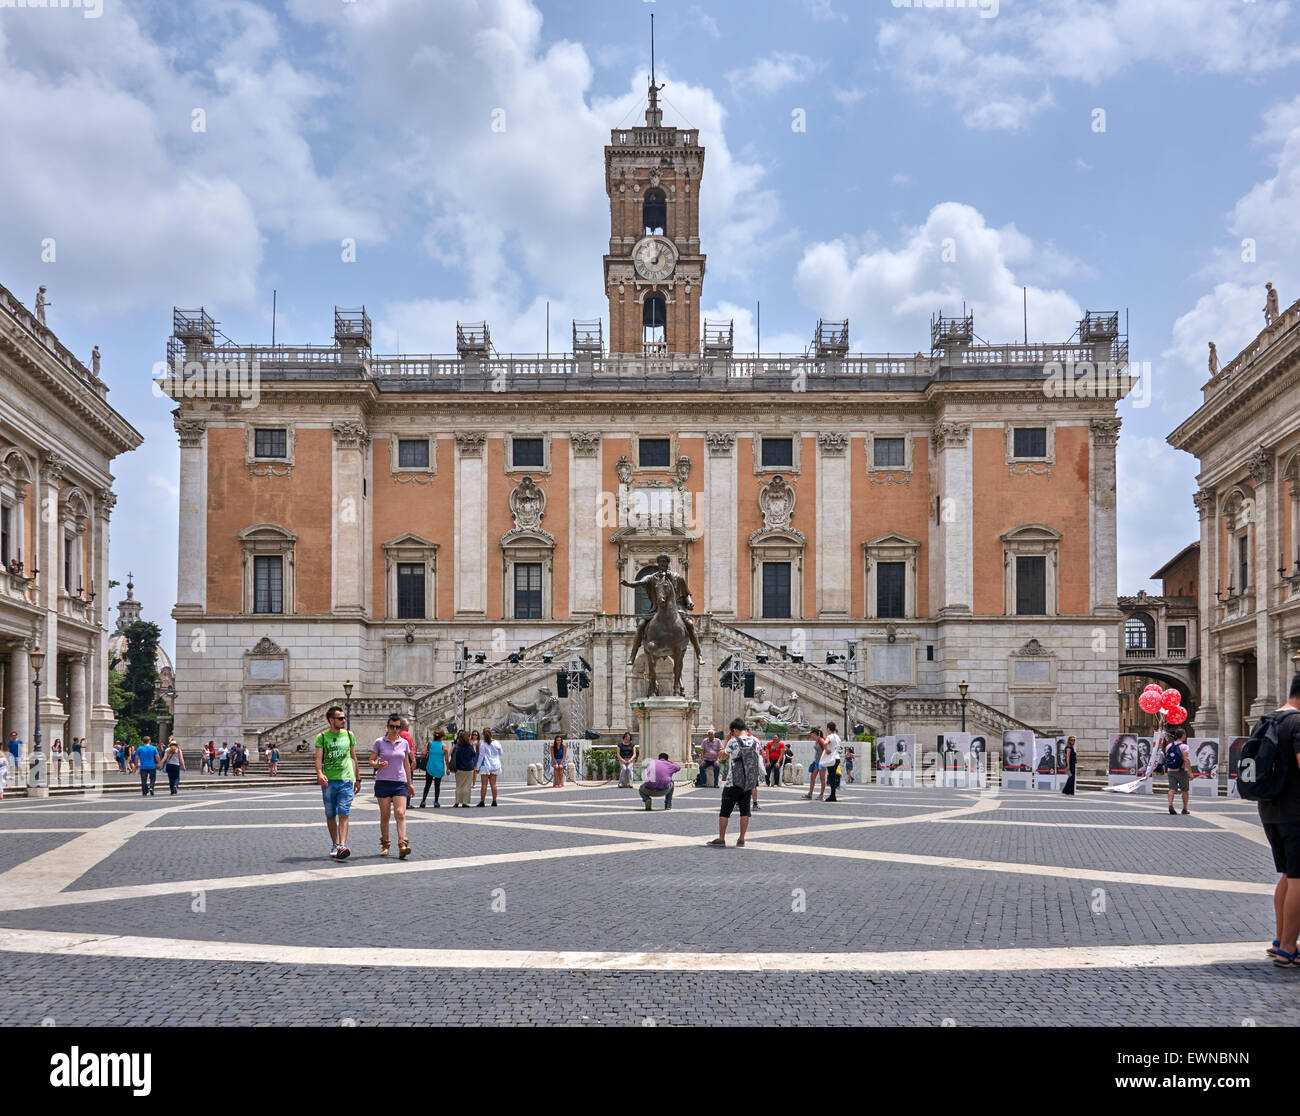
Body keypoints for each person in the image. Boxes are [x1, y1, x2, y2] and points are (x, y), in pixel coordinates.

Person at [1256, 674, 1300, 968]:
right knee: (1299, 879)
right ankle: (1287, 949)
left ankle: (1280, 939)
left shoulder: (1268, 720)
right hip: (1296, 811)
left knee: (1287, 874)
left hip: (1270, 809)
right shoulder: (1298, 722)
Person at [707, 718, 763, 848]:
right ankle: (741, 839)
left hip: (733, 782)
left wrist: (726, 741)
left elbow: (722, 756)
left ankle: (721, 839)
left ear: (735, 730)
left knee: (725, 811)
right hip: (748, 782)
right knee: (745, 811)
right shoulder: (754, 742)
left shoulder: (733, 741)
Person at [315, 706, 361, 860]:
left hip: (346, 779)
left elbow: (354, 757)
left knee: (343, 811)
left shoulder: (349, 735)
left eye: (344, 718)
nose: (343, 721)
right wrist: (320, 773)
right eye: (340, 718)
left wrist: (358, 778)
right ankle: (335, 844)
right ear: (331, 720)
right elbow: (318, 758)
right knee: (330, 814)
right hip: (329, 781)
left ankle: (342, 844)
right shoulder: (321, 737)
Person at [371, 713, 414, 858]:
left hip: (400, 782)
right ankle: (385, 844)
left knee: (400, 813)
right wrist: (377, 764)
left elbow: (406, 764)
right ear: (387, 726)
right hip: (383, 782)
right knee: (385, 815)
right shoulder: (379, 742)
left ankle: (402, 844)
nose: (395, 730)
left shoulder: (404, 743)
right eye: (392, 727)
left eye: (397, 727)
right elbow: (371, 761)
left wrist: (410, 783)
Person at [1163, 726, 1195, 815]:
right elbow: (1186, 759)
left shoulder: (1169, 746)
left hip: (1170, 770)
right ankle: (1184, 808)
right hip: (1182, 771)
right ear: (1183, 735)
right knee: (1184, 790)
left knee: (1171, 788)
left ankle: (1170, 805)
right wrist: (1190, 772)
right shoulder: (1184, 746)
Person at [418, 731, 448, 807]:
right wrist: (448, 768)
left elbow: (423, 753)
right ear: (441, 737)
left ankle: (423, 801)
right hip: (439, 768)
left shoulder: (429, 744)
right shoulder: (443, 746)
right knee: (437, 785)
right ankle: (436, 802)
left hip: (430, 766)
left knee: (427, 784)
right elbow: (446, 759)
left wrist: (429, 752)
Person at [451, 730, 478, 807]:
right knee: (467, 785)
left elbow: (453, 755)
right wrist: (473, 746)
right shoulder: (469, 746)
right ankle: (465, 802)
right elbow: (474, 754)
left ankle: (457, 801)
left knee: (459, 785)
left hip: (459, 767)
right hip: (469, 768)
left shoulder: (457, 747)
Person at [477, 726, 502, 807]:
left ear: (483, 735)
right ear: (491, 734)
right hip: (495, 765)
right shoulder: (496, 742)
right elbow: (501, 753)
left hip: (485, 765)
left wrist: (477, 767)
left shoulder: (483, 744)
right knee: (493, 784)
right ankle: (494, 801)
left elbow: (481, 757)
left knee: (484, 784)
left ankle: (482, 801)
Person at [821, 722, 843, 802]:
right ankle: (833, 794)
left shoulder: (830, 736)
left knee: (831, 777)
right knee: (832, 777)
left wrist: (826, 750)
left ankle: (832, 795)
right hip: (837, 758)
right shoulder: (837, 737)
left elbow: (825, 742)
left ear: (828, 729)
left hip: (831, 759)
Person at [804, 726, 826, 800]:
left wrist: (823, 757)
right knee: (812, 777)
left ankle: (821, 795)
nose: (811, 735)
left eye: (811, 734)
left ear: (815, 734)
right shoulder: (817, 741)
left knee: (822, 778)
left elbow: (826, 749)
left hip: (822, 761)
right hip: (817, 761)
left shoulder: (821, 740)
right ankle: (810, 794)